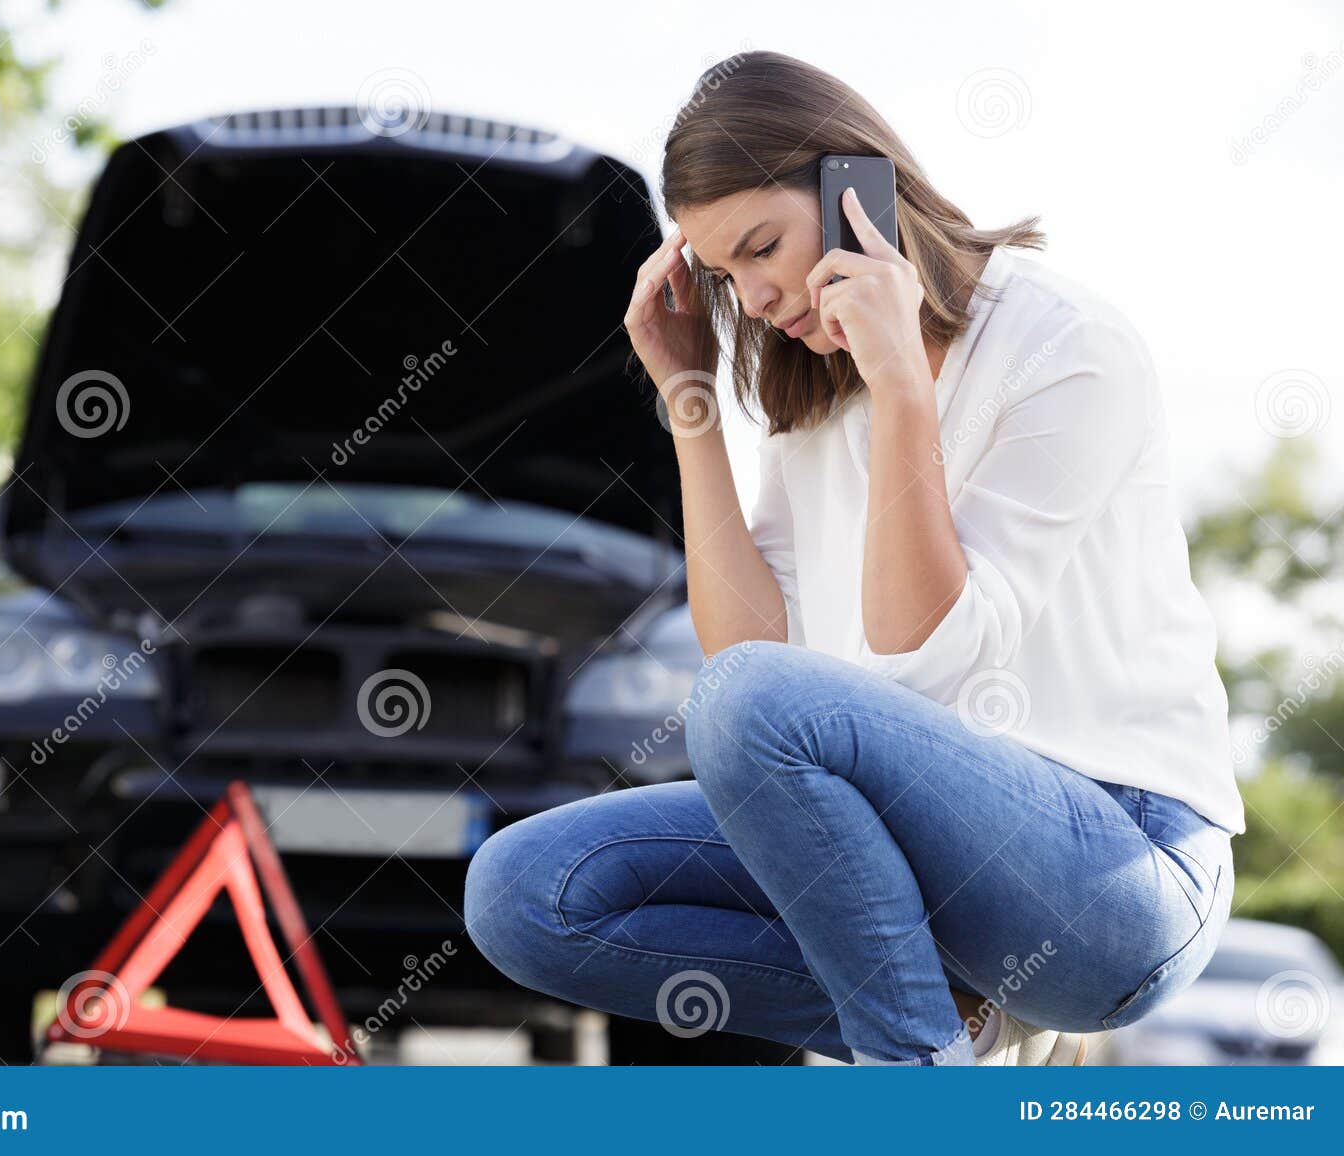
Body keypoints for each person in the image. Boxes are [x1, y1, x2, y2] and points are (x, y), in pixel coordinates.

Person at [463, 50, 1243, 1066]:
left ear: (852, 191)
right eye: (723, 275)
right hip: (912, 858)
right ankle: (950, 1029)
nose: (751, 298)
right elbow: (746, 654)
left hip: (1117, 871)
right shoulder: (817, 390)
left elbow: (927, 654)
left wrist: (904, 387)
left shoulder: (1065, 345)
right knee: (525, 891)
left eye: (761, 248)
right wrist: (688, 402)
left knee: (753, 700)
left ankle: (910, 1077)